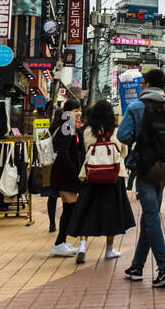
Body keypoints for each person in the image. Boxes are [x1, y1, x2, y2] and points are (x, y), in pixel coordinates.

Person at [117, 69, 165, 288]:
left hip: (145, 168)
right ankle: (137, 266)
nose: (140, 86)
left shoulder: (136, 107)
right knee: (150, 217)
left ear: (147, 84)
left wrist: (141, 138)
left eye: (142, 83)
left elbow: (123, 135)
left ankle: (164, 268)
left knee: (151, 217)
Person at [67, 99, 137, 260]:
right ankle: (109, 249)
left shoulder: (87, 131)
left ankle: (83, 245)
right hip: (114, 176)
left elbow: (85, 149)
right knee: (112, 212)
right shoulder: (116, 131)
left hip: (91, 174)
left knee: (86, 209)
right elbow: (124, 153)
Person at [48, 101, 85, 259]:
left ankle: (61, 242)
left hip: (65, 173)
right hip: (65, 173)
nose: (78, 113)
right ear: (68, 111)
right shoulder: (67, 125)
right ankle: (58, 243)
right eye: (75, 110)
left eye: (80, 110)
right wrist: (74, 170)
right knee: (71, 206)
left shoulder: (67, 124)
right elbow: (63, 152)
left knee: (69, 207)